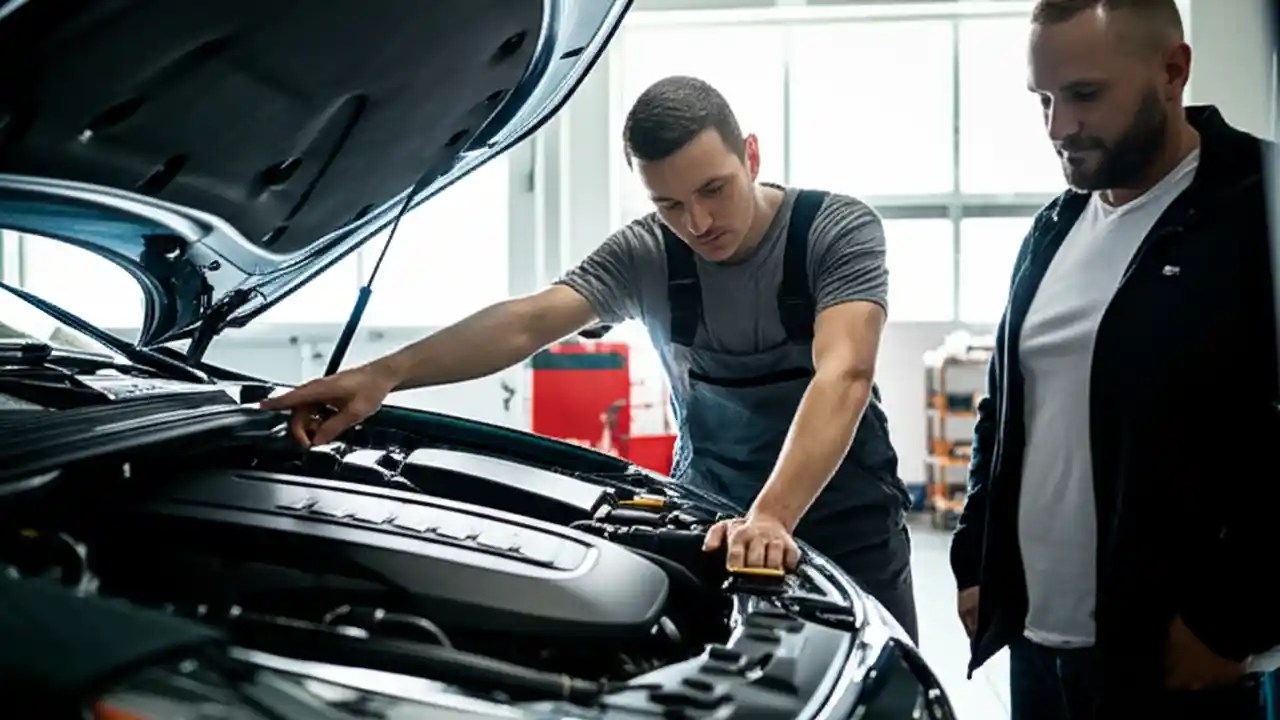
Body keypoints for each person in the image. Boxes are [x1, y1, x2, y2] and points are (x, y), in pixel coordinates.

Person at [259, 75, 920, 643]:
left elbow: (845, 374)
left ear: (750, 155)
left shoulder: (834, 231)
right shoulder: (647, 252)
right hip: (713, 520)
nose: (697, 223)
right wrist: (384, 375)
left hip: (849, 522)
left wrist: (772, 515)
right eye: (669, 204)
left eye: (714, 189)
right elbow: (527, 321)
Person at [948, 0, 1280, 717]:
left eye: (1084, 94)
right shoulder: (1055, 226)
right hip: (1037, 647)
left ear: (1174, 71)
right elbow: (1004, 409)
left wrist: (1234, 615)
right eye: (1043, 98)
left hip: (1178, 661)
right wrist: (977, 560)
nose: (1058, 127)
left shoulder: (1260, 204)